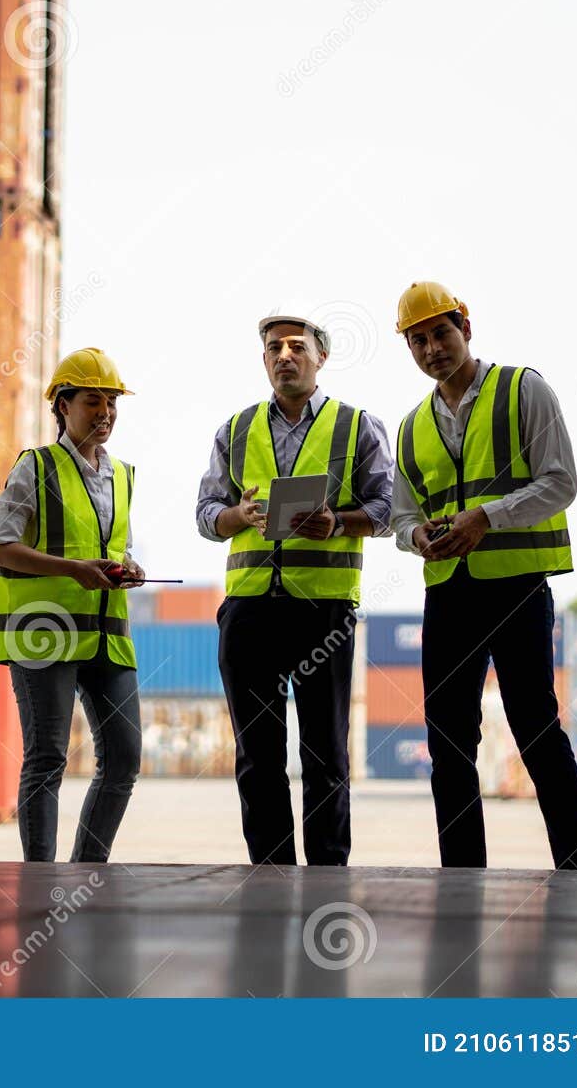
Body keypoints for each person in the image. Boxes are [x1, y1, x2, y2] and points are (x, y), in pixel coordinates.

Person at [390, 281, 577, 869]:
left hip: (518, 587)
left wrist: (487, 517)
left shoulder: (522, 389)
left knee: (536, 729)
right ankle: (462, 875)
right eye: (419, 340)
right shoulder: (410, 428)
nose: (433, 348)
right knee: (448, 742)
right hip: (449, 595)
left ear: (467, 328)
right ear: (410, 349)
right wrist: (416, 537)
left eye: (441, 333)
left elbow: (561, 482)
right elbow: (403, 516)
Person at [196, 301, 396, 865]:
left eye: (297, 347)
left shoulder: (358, 427)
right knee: (256, 754)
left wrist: (339, 521)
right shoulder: (233, 431)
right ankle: (271, 870)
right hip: (250, 610)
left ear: (321, 358)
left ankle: (328, 870)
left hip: (323, 611)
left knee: (326, 752)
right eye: (274, 349)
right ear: (263, 361)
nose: (285, 356)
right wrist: (238, 516)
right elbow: (207, 513)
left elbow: (389, 509)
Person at [0, 347, 145, 863]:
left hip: (105, 634)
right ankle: (39, 879)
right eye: (93, 402)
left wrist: (126, 567)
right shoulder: (35, 467)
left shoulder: (122, 475)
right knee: (47, 757)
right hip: (44, 630)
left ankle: (85, 874)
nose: (106, 414)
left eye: (113, 404)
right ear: (62, 406)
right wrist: (74, 569)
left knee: (123, 757)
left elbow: (106, 544)